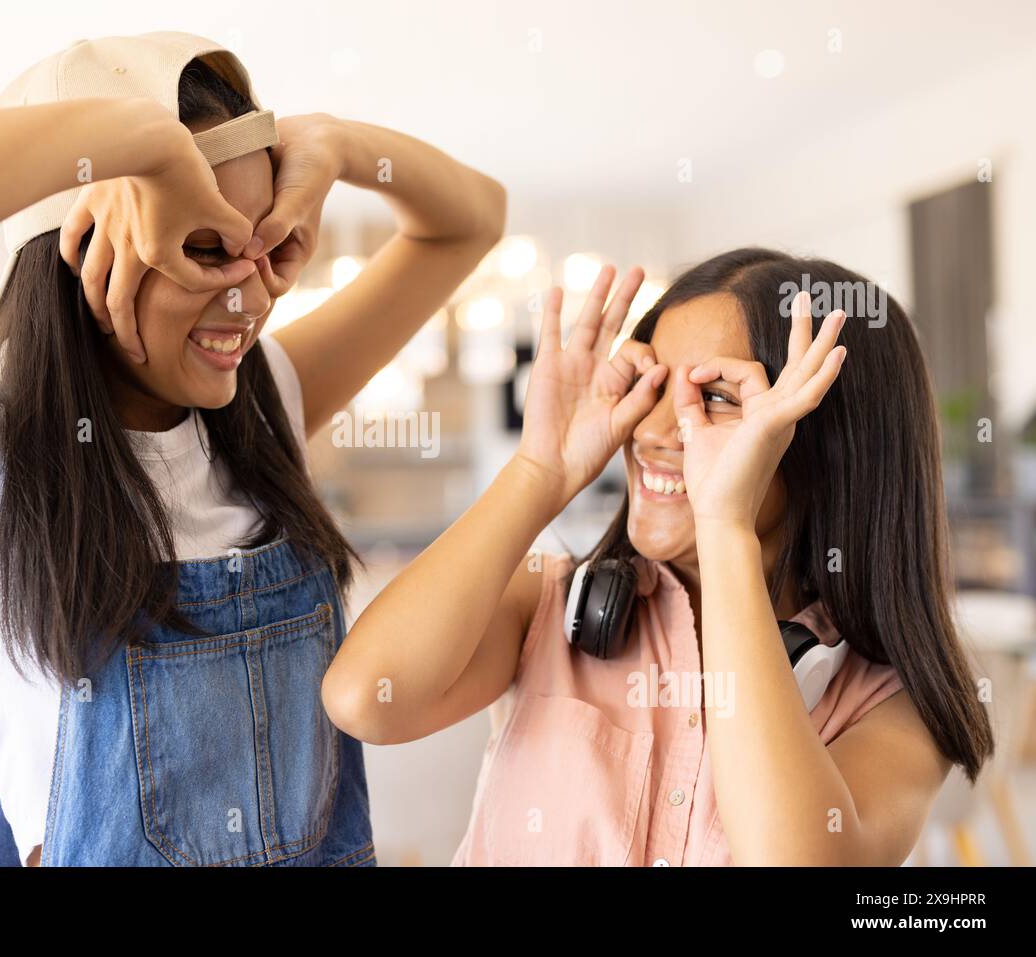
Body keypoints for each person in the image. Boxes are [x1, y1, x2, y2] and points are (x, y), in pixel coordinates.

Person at [0, 31, 506, 866]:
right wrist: (138, 146)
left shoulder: (265, 398)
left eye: (266, 248)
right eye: (205, 247)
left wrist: (338, 145)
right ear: (85, 248)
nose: (250, 295)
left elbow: (472, 220)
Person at [323, 248, 993, 865]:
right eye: (653, 384)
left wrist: (725, 524)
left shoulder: (894, 708)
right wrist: (538, 472)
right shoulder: (547, 603)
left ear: (828, 440)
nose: (652, 428)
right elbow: (364, 699)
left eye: (717, 397)